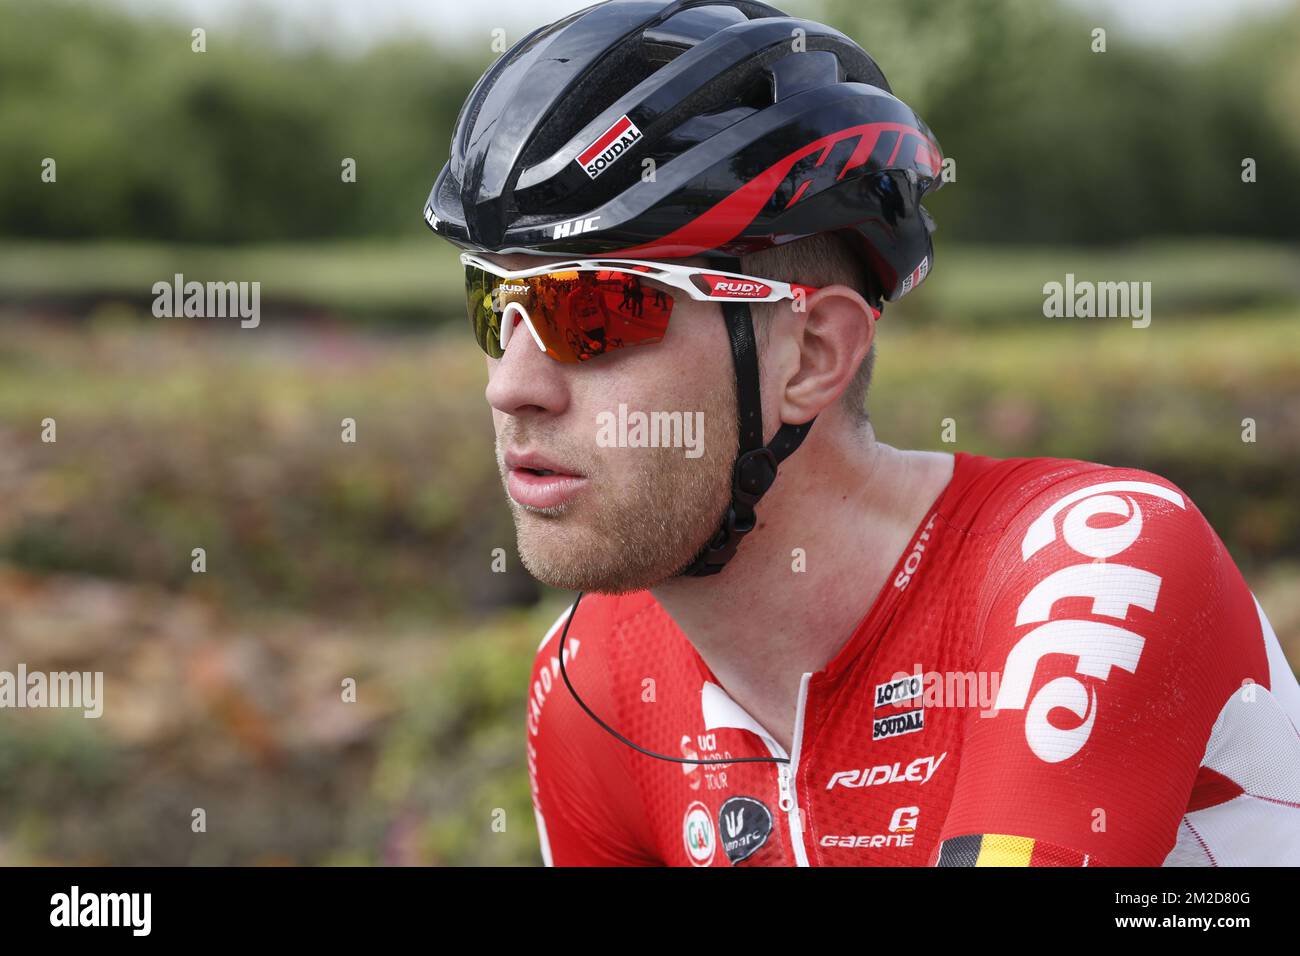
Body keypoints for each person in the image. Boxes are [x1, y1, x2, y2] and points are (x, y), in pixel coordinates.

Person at [422, 0, 1300, 866]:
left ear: (810, 353)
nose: (511, 386)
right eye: (494, 306)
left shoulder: (1095, 566)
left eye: (593, 310)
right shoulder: (594, 683)